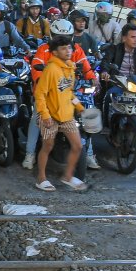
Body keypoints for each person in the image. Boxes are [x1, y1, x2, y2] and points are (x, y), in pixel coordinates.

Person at [24, 19, 99, 170]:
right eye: (59, 37)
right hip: (48, 94)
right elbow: (36, 68)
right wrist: (41, 80)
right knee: (36, 116)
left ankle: (89, 154)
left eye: (66, 37)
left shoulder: (76, 49)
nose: (63, 41)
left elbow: (86, 66)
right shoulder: (43, 49)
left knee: (87, 112)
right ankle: (30, 154)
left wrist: (92, 79)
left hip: (70, 92)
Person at [33, 37, 87, 192]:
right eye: (63, 48)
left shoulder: (70, 68)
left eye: (69, 48)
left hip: (66, 115)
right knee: (48, 145)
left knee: (77, 146)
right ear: (55, 52)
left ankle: (68, 176)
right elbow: (40, 94)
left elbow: (69, 92)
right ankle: (41, 178)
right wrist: (45, 115)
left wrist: (79, 107)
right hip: (50, 115)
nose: (68, 51)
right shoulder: (50, 69)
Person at [101, 24, 136, 150]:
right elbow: (105, 62)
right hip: (119, 84)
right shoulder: (114, 49)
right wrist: (105, 72)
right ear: (124, 38)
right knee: (109, 96)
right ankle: (107, 126)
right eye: (132, 37)